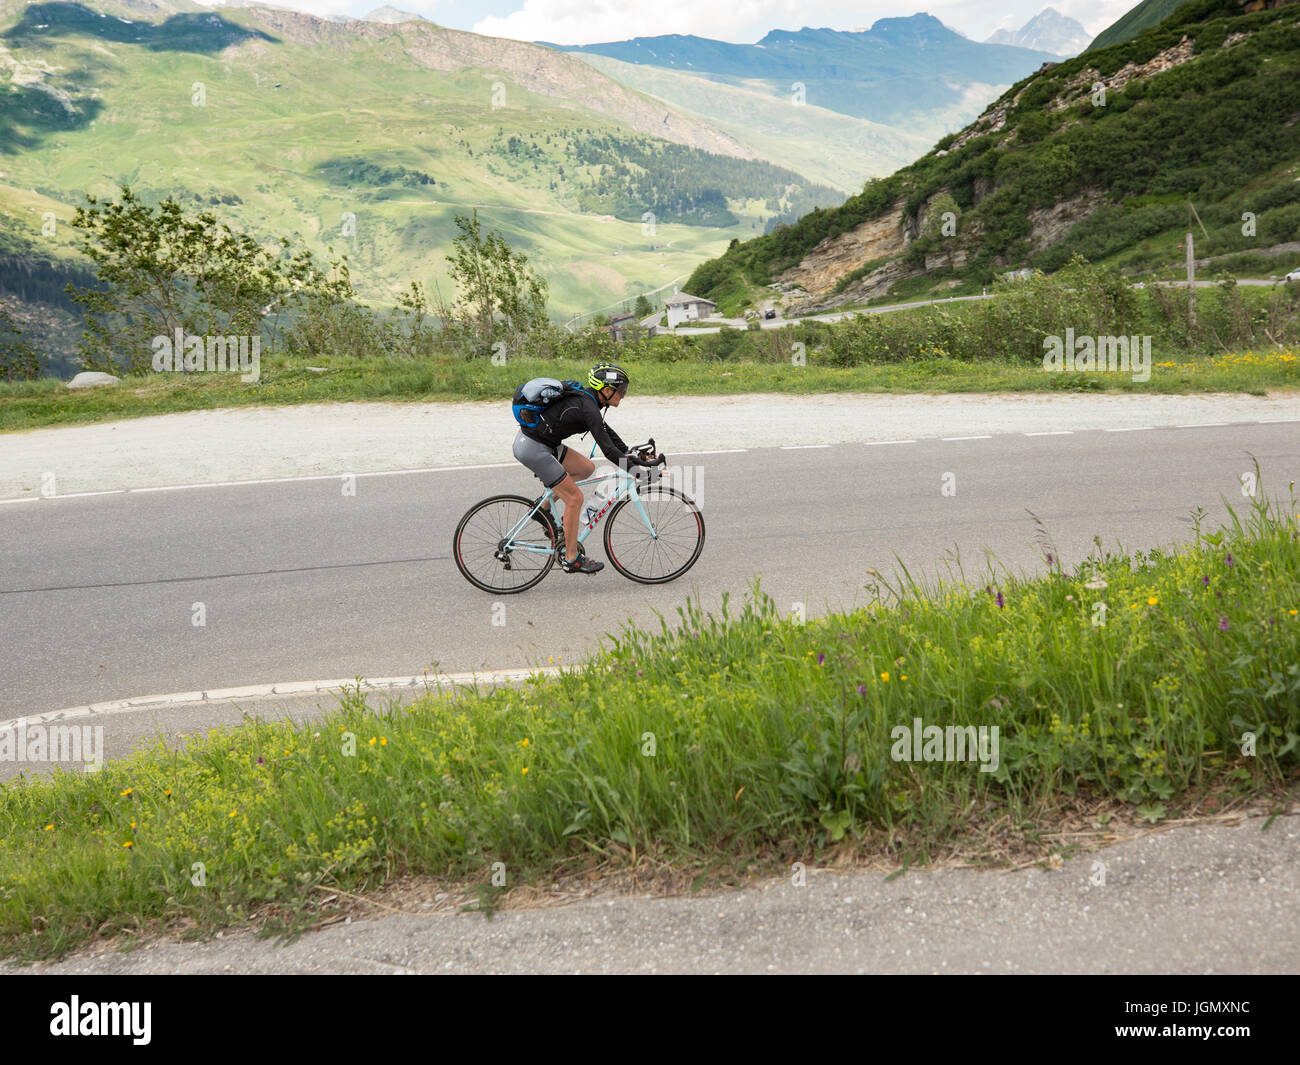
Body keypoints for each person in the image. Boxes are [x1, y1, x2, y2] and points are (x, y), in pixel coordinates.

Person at [511, 363, 650, 574]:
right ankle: (571, 558)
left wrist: (633, 455)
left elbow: (608, 436)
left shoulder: (589, 402)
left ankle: (542, 509)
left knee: (585, 468)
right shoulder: (587, 406)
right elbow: (608, 450)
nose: (623, 396)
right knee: (574, 499)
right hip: (534, 449)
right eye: (621, 391)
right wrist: (636, 471)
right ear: (606, 389)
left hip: (544, 444)